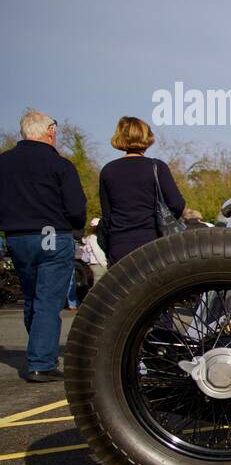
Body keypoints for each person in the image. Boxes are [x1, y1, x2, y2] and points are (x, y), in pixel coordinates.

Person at [0, 110, 87, 381]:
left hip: (17, 236)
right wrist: (75, 226)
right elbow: (75, 208)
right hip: (51, 234)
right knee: (48, 301)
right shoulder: (59, 165)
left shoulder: (4, 163)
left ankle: (38, 350)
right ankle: (41, 362)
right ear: (49, 131)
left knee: (32, 298)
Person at [98, 116, 185, 266]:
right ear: (148, 137)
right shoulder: (157, 167)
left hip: (119, 244)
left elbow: (107, 216)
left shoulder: (108, 170)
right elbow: (177, 204)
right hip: (151, 241)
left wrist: (107, 245)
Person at [83, 218, 109, 282]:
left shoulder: (90, 237)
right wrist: (104, 264)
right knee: (99, 285)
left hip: (96, 264)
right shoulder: (94, 238)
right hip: (99, 265)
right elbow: (98, 253)